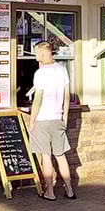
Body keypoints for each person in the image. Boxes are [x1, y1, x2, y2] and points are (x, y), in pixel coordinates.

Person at [29, 41, 75, 201]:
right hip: (58, 118)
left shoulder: (40, 73)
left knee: (46, 156)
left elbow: (38, 99)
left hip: (42, 120)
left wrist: (32, 120)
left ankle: (50, 192)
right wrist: (65, 116)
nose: (35, 57)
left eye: (36, 53)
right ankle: (69, 190)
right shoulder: (62, 70)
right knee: (61, 155)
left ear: (42, 54)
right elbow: (67, 96)